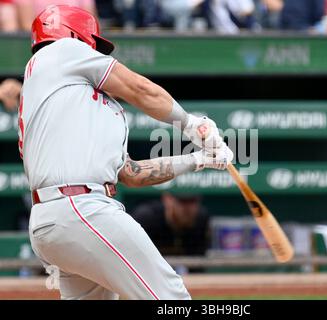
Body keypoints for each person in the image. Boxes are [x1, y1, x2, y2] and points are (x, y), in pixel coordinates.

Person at [21, 5, 233, 300]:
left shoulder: (68, 105)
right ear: (76, 35)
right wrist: (192, 124)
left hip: (52, 220)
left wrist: (199, 160)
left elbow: (131, 174)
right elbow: (140, 89)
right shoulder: (62, 49)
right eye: (94, 44)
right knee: (171, 299)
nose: (97, 52)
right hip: (82, 210)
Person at [131, 193, 210, 257]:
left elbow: (198, 262)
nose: (187, 208)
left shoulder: (201, 219)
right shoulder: (146, 218)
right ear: (167, 199)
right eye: (182, 201)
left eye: (192, 201)